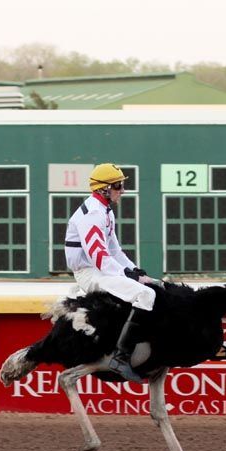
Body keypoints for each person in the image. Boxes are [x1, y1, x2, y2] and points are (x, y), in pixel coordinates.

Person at [65, 162, 156, 382]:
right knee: (146, 294)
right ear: (103, 189)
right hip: (90, 273)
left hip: (99, 269)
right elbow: (101, 258)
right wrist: (131, 276)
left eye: (122, 185)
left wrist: (136, 271)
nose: (122, 190)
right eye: (118, 186)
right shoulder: (93, 214)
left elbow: (115, 251)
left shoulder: (104, 211)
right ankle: (120, 357)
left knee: (150, 286)